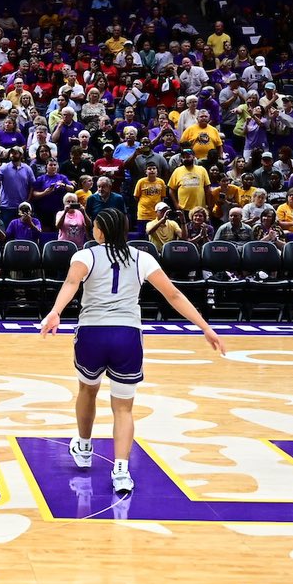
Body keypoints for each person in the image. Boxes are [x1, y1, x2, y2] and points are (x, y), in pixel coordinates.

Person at [38, 208, 226, 496]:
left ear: (99, 231)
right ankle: (122, 470)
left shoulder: (84, 256)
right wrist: (205, 327)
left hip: (92, 333)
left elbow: (71, 284)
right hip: (127, 335)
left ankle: (85, 448)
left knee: (87, 391)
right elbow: (173, 294)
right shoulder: (143, 258)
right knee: (123, 408)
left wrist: (55, 312)